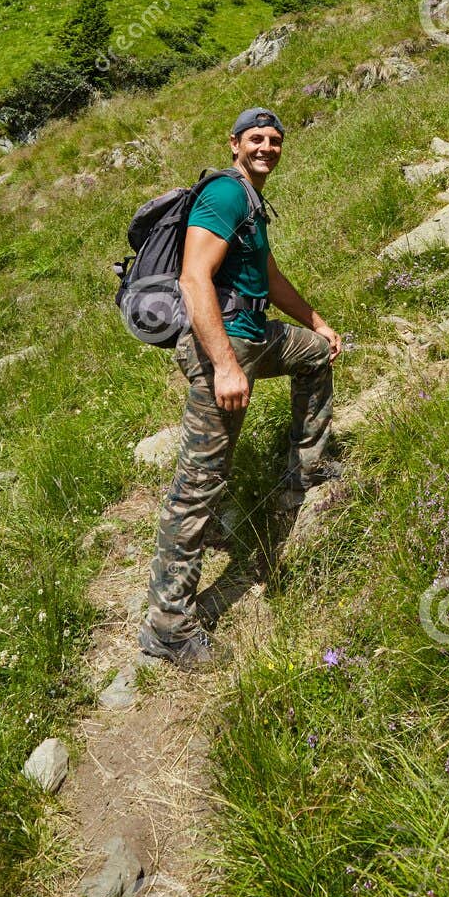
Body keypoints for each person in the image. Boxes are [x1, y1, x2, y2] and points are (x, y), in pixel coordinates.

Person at [138, 107, 342, 671]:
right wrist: (225, 365)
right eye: (257, 138)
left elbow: (269, 278)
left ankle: (304, 468)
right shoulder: (226, 195)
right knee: (200, 481)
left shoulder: (252, 203)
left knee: (316, 356)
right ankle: (168, 625)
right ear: (234, 144)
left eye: (275, 140)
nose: (267, 147)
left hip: (254, 336)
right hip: (222, 346)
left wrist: (317, 323)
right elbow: (193, 277)